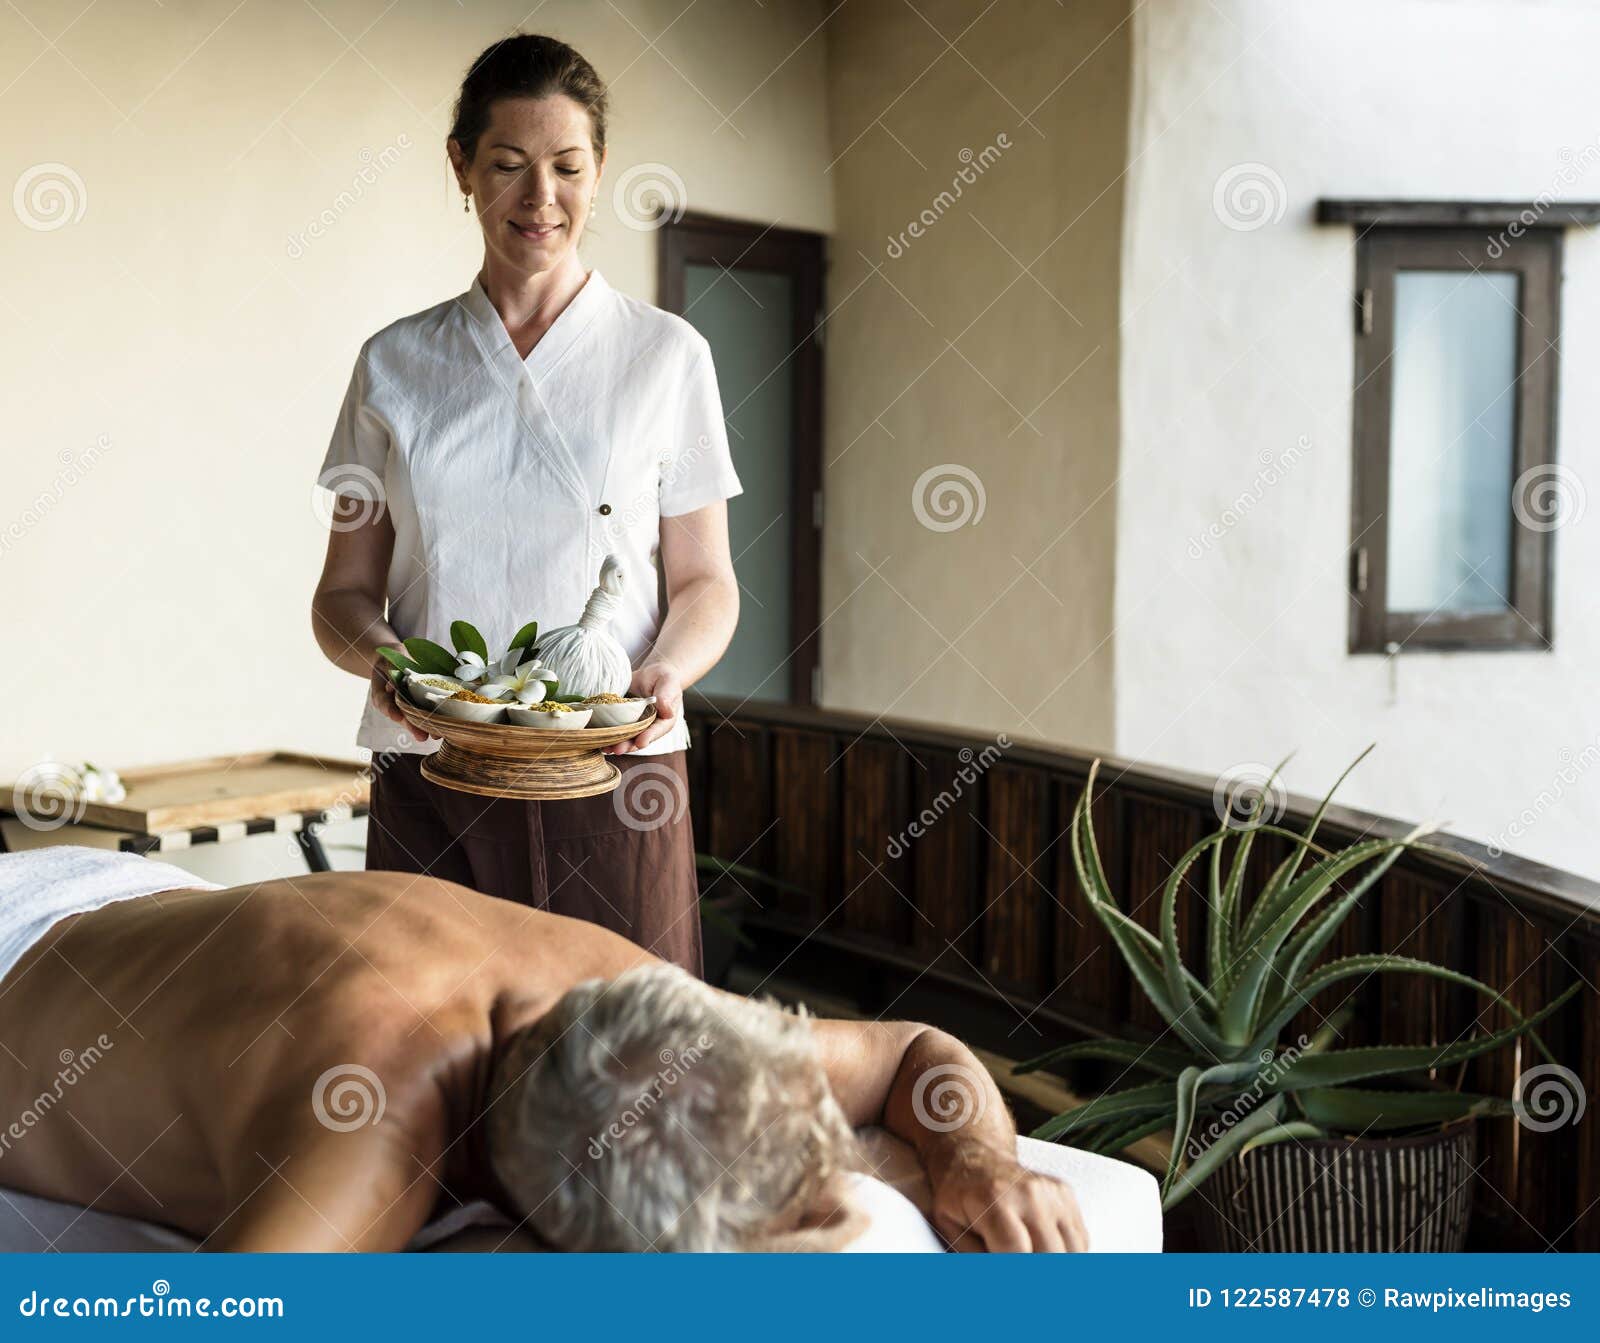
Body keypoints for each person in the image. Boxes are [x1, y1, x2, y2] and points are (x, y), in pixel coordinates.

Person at [0, 849, 1085, 1252]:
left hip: (128, 898)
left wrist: (978, 1158)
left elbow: (911, 1053)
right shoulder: (361, 1149)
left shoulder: (636, 1014)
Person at [310, 33, 741, 975]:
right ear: (461, 166)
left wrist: (666, 668)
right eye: (507, 165)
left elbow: (707, 580)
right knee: (434, 1069)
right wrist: (391, 668)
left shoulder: (667, 357)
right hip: (434, 767)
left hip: (615, 769)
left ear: (599, 174)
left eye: (567, 167)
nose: (540, 198)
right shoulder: (393, 365)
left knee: (628, 1074)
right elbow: (342, 596)